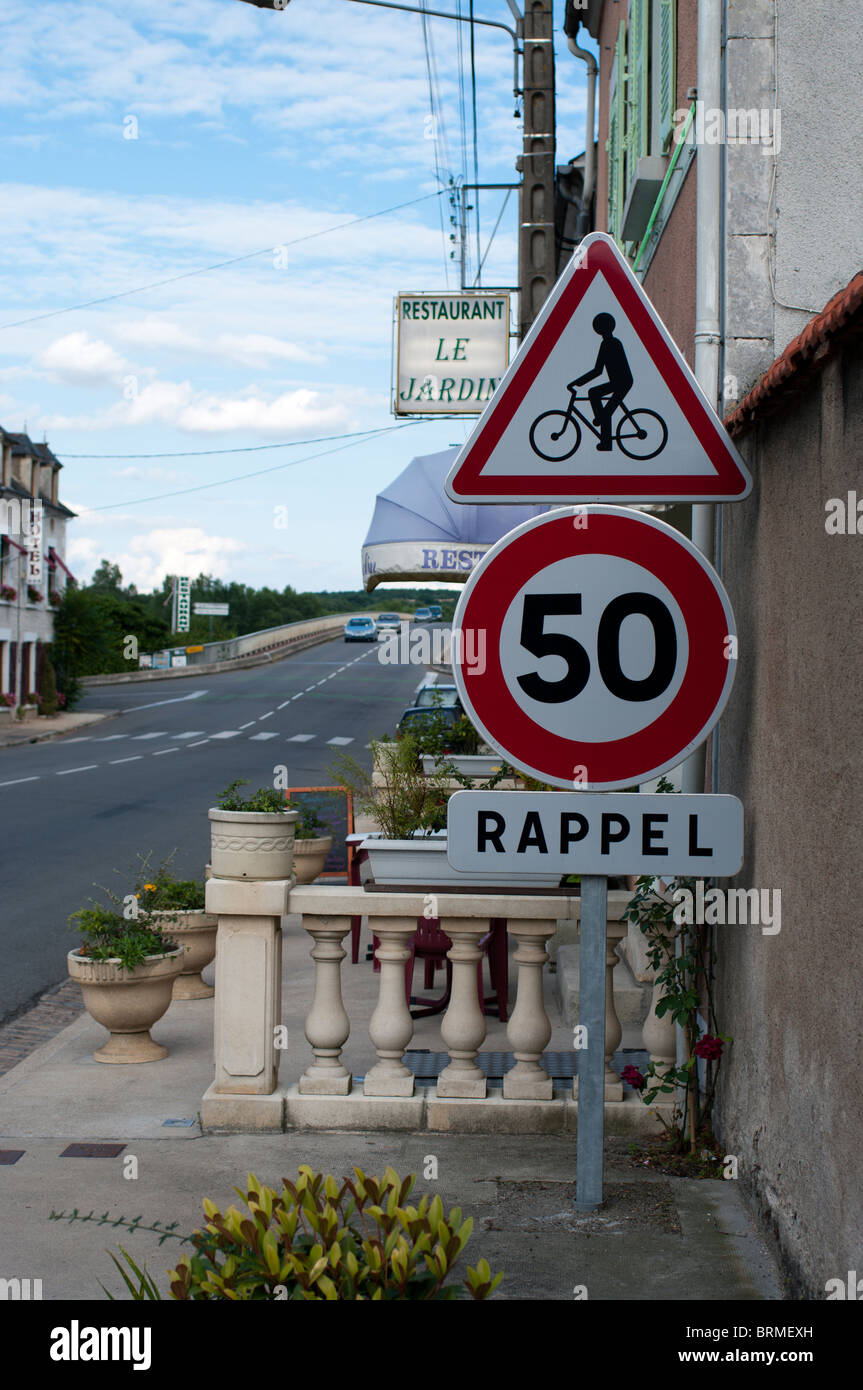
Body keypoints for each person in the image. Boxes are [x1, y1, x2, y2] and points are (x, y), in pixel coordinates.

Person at [573, 312, 633, 450]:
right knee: (594, 393)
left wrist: (578, 382)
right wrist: (578, 382)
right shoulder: (607, 343)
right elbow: (598, 370)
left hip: (623, 382)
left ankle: (606, 443)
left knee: (604, 410)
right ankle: (600, 419)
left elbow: (597, 371)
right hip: (619, 382)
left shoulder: (611, 344)